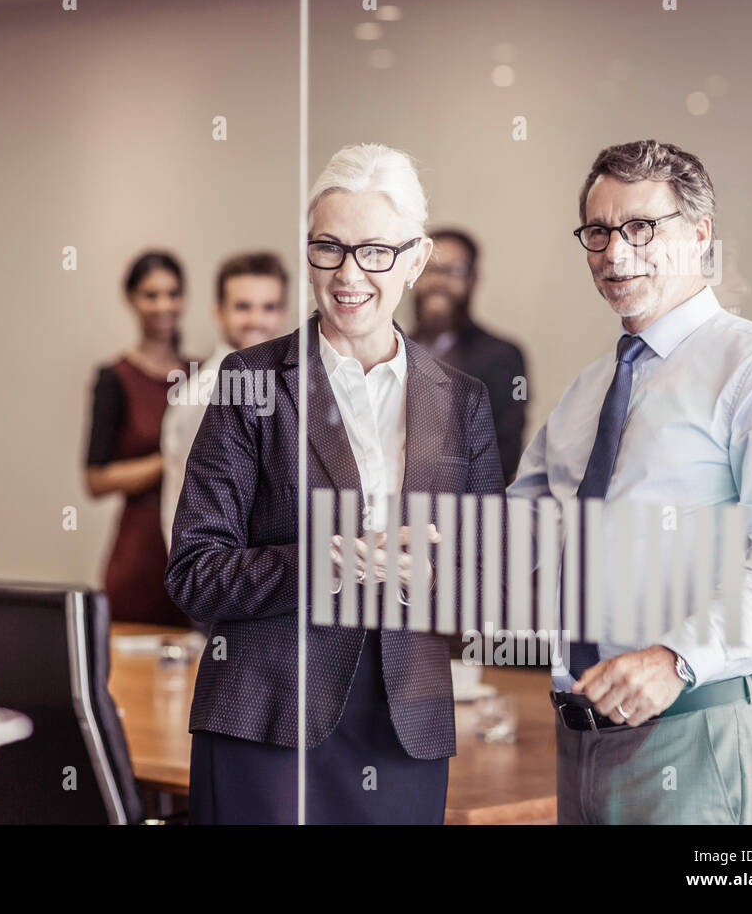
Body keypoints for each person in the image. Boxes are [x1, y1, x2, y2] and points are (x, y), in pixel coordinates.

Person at [166, 143, 504, 824]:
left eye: (375, 251)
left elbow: (490, 572)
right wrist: (322, 559)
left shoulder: (462, 399)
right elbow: (195, 573)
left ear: (415, 259)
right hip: (266, 723)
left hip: (406, 730)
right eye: (329, 248)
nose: (350, 274)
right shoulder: (251, 381)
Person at [508, 139, 752, 824]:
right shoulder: (588, 389)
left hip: (694, 730)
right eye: (598, 232)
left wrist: (677, 658)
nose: (616, 253)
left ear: (701, 234)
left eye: (642, 227)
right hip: (580, 740)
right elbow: (512, 530)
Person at [85, 251, 193, 627]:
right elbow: (96, 480)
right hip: (140, 552)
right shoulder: (115, 379)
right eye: (151, 295)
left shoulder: (204, 376)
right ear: (131, 298)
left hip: (194, 542)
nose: (164, 305)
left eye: (172, 293)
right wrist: (171, 461)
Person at [160, 250, 288, 550]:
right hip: (228, 581)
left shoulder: (283, 380)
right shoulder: (204, 393)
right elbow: (186, 511)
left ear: (282, 314)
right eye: (243, 307)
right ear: (219, 312)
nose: (256, 319)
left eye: (268, 307)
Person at [411, 228, 527, 484]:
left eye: (454, 271)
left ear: (473, 279)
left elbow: (507, 452)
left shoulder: (505, 357)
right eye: (429, 269)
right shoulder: (391, 351)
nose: (438, 281)